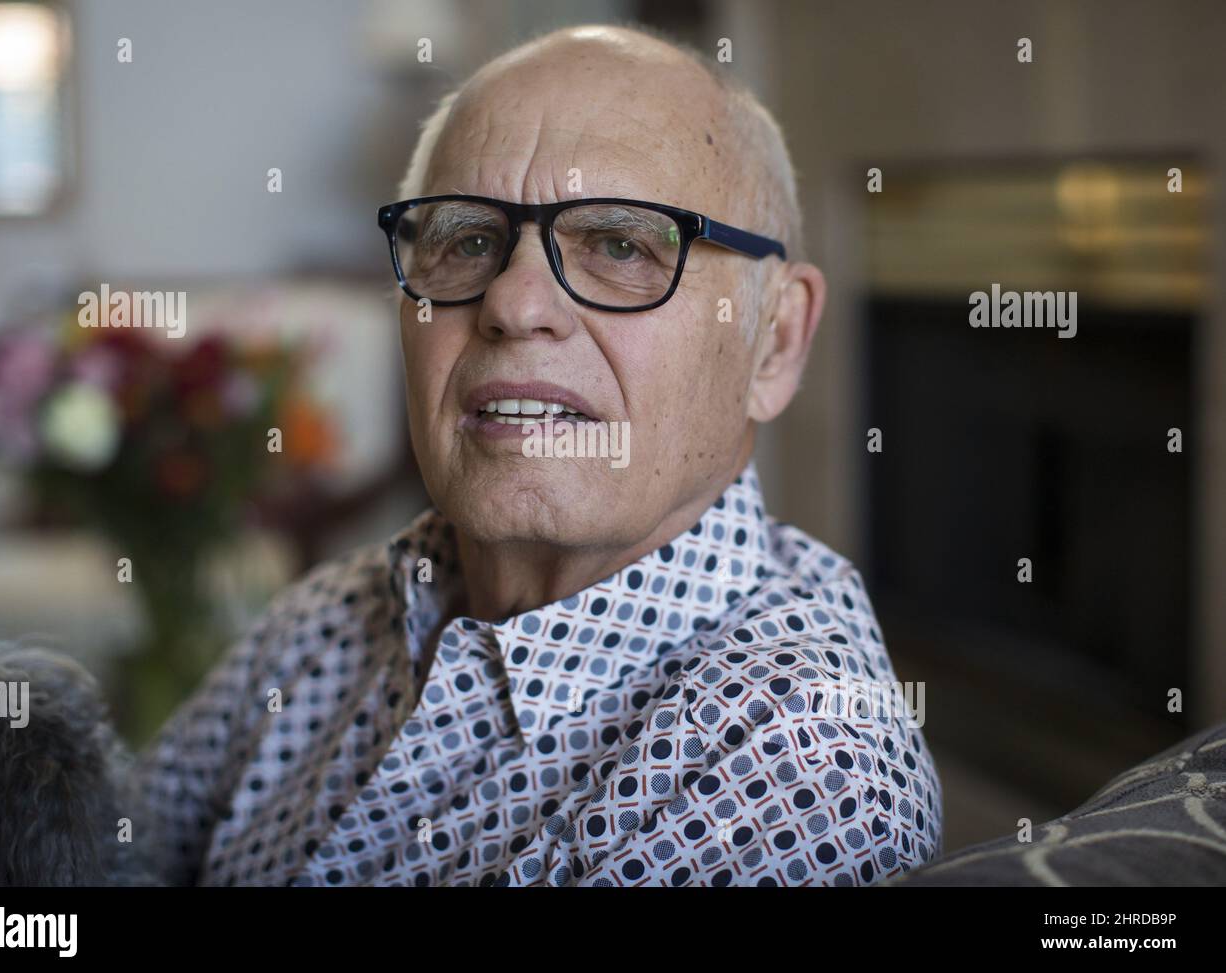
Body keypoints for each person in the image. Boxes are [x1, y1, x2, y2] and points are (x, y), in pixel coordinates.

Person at [137, 23, 942, 886]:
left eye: (623, 245)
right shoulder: (345, 604)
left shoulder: (797, 756)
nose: (516, 304)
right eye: (468, 241)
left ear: (774, 341)